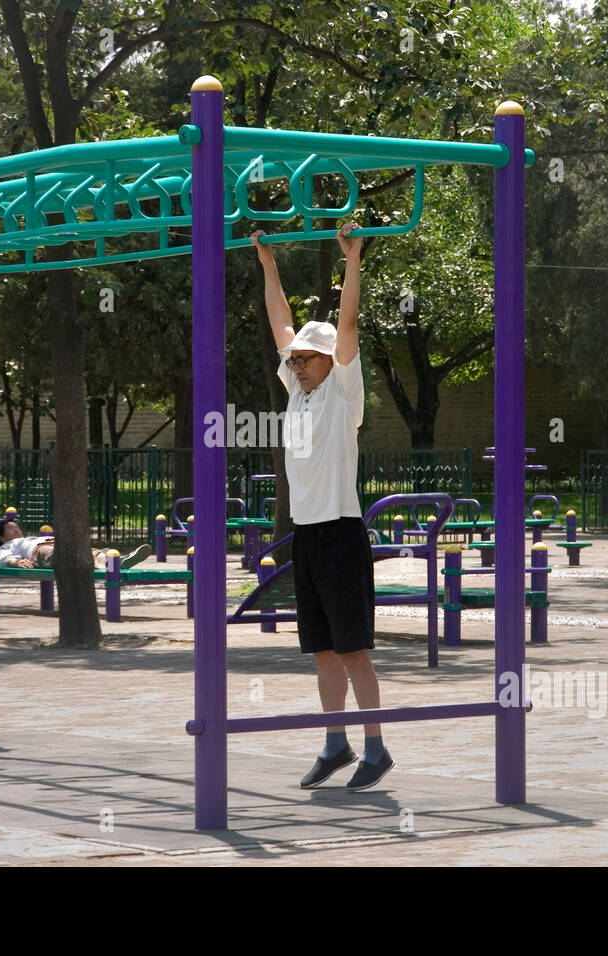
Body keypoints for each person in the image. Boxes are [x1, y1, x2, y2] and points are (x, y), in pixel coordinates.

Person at [252, 222, 390, 792]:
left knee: (353, 649)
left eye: (310, 356)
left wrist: (352, 260)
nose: (301, 363)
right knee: (322, 649)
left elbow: (349, 323)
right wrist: (268, 264)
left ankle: (377, 748)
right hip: (306, 536)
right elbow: (280, 321)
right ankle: (336, 742)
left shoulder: (342, 390)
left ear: (332, 360)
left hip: (339, 533)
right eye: (298, 359)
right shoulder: (299, 393)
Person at [0, 517, 151, 571]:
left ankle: (117, 562)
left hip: (57, 542)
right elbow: (1, 558)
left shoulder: (28, 538)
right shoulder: (8, 545)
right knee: (58, 554)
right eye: (10, 528)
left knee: (91, 551)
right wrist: (16, 562)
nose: (16, 530)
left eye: (17, 527)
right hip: (39, 550)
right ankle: (110, 563)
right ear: (1, 537)